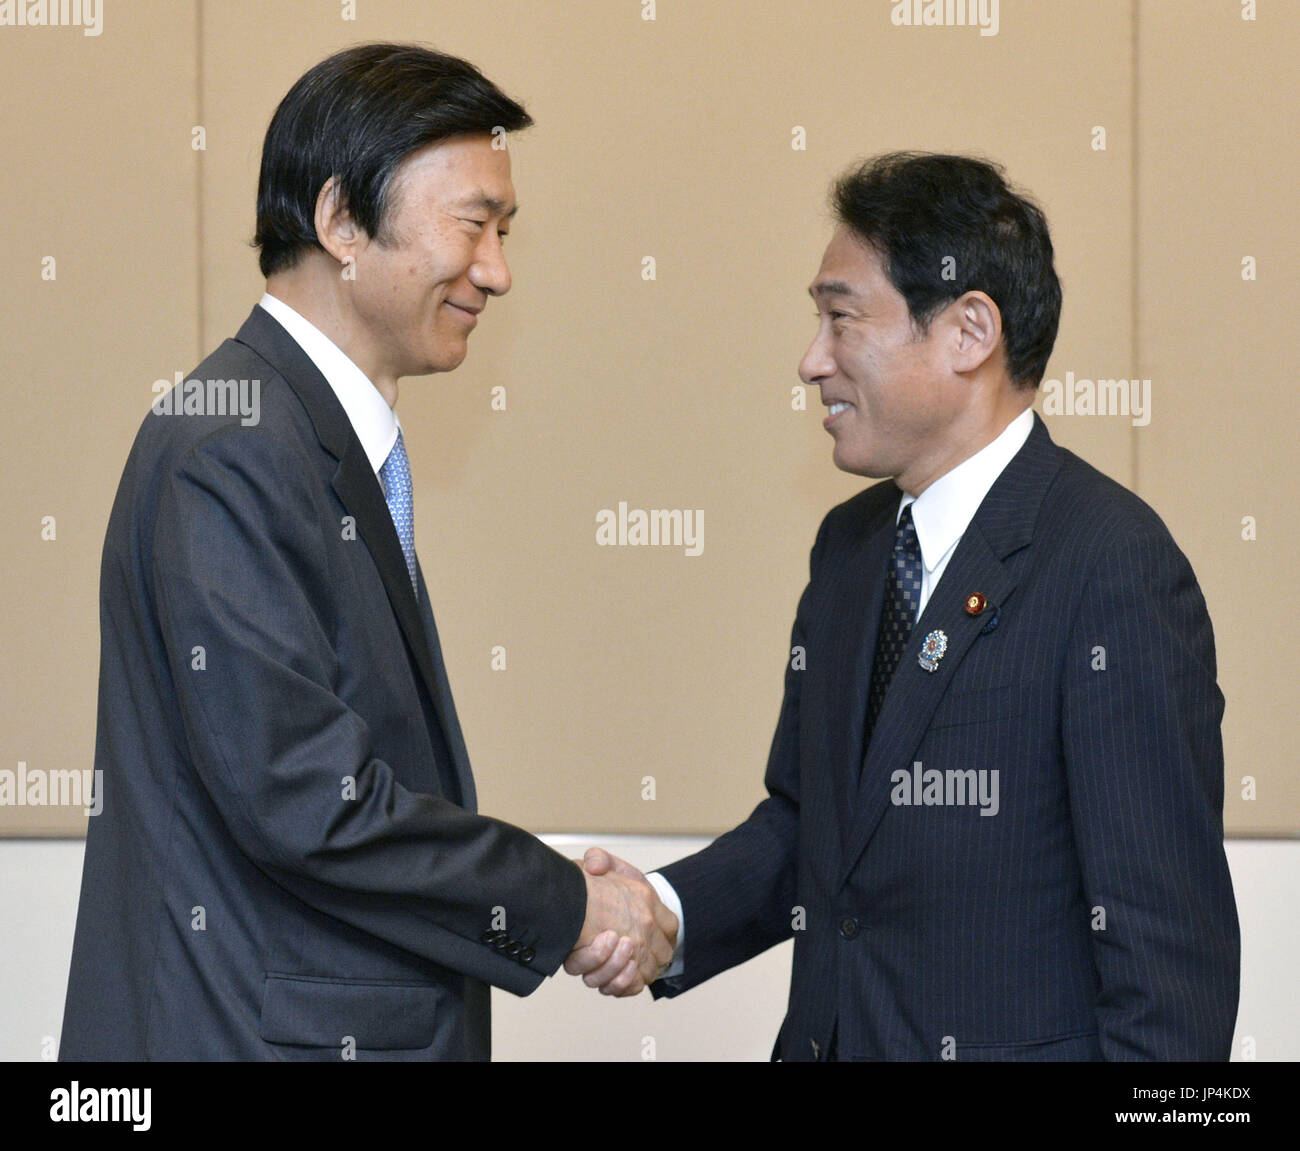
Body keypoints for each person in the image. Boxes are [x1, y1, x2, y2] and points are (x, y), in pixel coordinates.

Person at [59, 43, 675, 1062]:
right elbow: (311, 800)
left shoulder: (301, 436)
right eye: (473, 226)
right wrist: (570, 903)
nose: (498, 271)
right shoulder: (236, 450)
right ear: (342, 220)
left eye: (507, 232)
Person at [569, 152, 1240, 1061]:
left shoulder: (1110, 566)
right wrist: (664, 912)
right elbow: (814, 826)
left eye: (841, 318)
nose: (812, 361)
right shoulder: (851, 548)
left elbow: (1170, 966)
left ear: (968, 331)